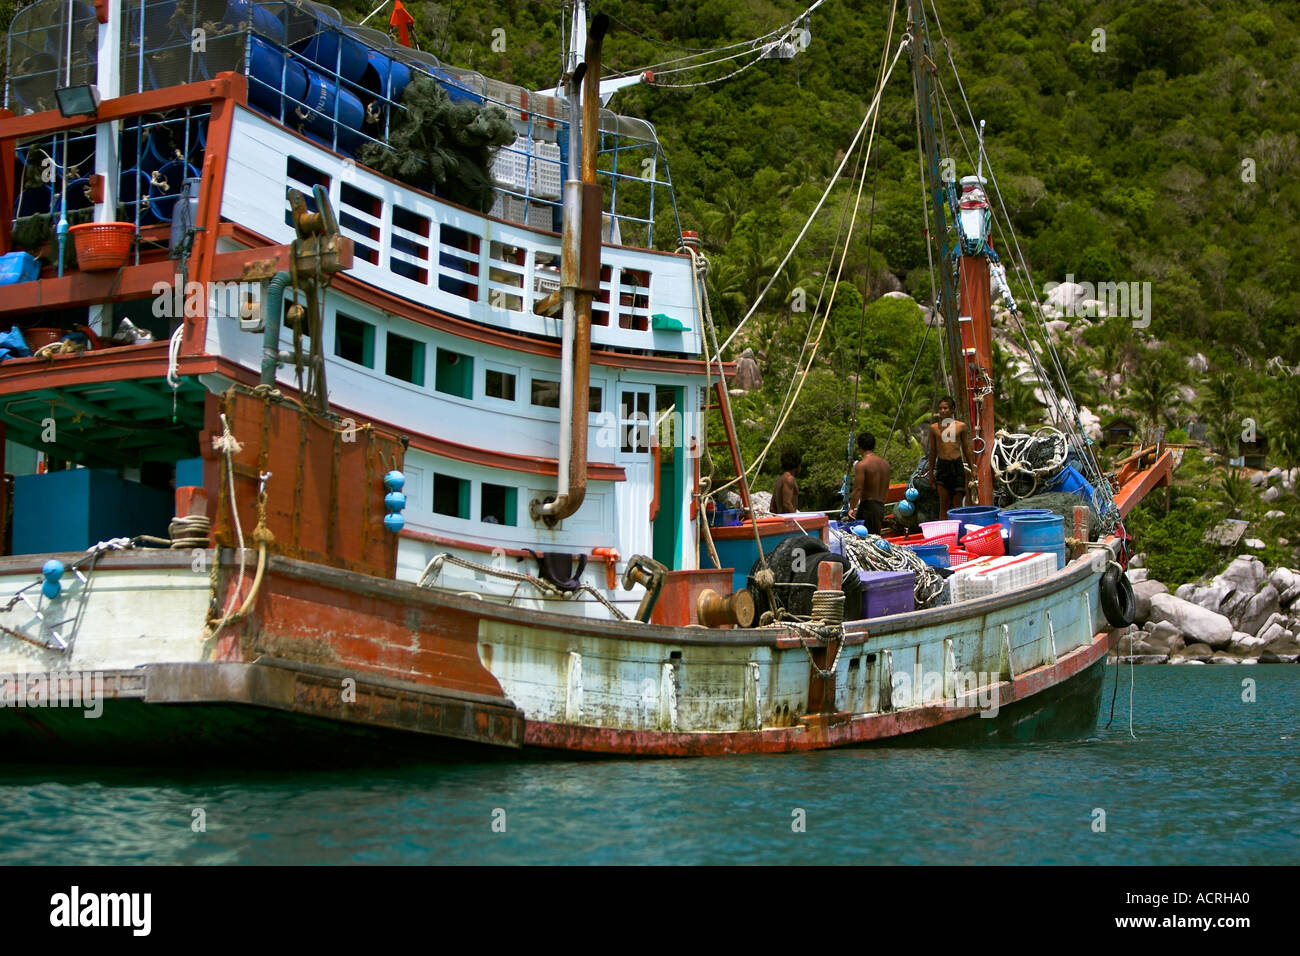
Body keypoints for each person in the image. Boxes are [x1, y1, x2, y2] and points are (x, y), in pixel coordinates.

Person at [923, 395, 975, 519]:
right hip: (942, 466)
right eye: (940, 408)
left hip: (956, 465)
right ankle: (944, 533)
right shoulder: (934, 428)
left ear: (952, 410)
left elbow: (966, 449)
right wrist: (931, 475)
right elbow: (933, 451)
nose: (942, 411)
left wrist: (973, 469)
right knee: (944, 504)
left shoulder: (960, 426)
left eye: (945, 408)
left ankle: (960, 531)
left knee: (957, 503)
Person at [846, 432, 890, 533]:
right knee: (876, 538)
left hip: (868, 508)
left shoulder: (862, 465)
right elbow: (886, 488)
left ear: (859, 446)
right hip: (880, 507)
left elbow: (858, 489)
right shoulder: (885, 464)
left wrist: (851, 508)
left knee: (865, 539)